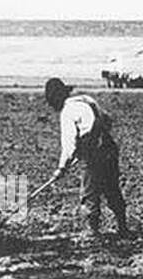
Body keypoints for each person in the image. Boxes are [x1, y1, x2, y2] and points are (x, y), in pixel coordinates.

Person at [42, 77, 129, 238]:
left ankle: (93, 232)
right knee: (112, 189)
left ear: (56, 98)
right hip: (109, 149)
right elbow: (107, 120)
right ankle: (122, 227)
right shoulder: (86, 100)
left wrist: (61, 168)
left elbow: (69, 146)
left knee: (89, 192)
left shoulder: (67, 112)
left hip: (94, 155)